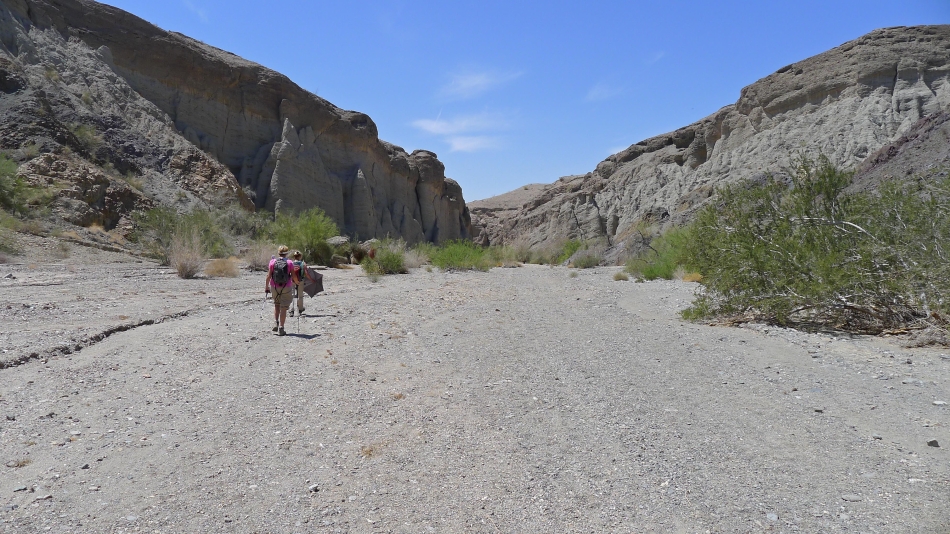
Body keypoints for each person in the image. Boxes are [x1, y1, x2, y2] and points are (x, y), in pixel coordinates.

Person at [264, 245, 299, 336]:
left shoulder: (272, 262)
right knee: (283, 308)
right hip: (286, 287)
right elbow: (294, 276)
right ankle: (281, 328)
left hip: (274, 286)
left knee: (277, 304)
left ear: (278, 253)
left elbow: (269, 276)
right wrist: (297, 283)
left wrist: (266, 287)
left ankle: (276, 322)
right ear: (286, 253)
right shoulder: (290, 262)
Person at [289, 250, 308, 317]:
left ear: (294, 257)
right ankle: (300, 310)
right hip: (300, 281)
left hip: (292, 281)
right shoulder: (303, 263)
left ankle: (291, 311)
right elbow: (306, 273)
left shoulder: (291, 263)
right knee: (300, 296)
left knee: (292, 295)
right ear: (300, 256)